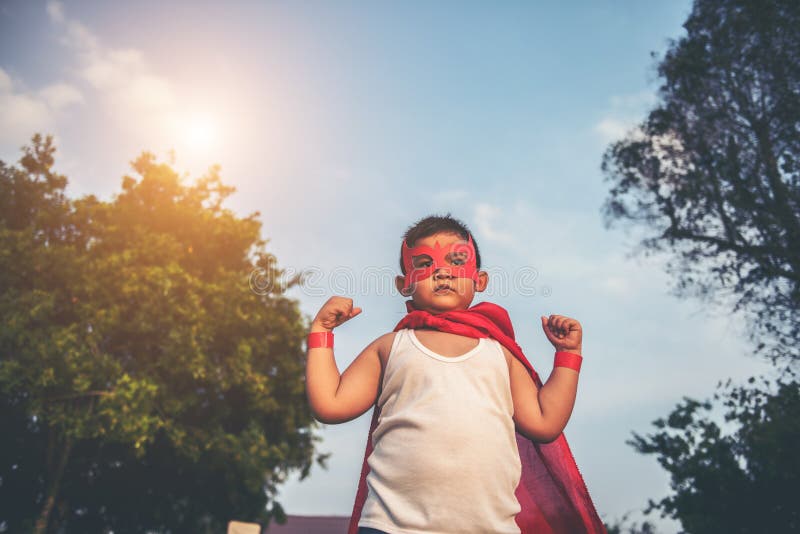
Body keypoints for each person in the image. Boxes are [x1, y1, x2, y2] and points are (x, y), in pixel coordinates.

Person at [305, 214, 604, 534]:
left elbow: (545, 422)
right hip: (392, 526)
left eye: (457, 260)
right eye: (424, 263)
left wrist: (568, 355)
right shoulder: (390, 347)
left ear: (480, 280)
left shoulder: (500, 354)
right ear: (404, 284)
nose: (442, 271)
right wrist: (321, 332)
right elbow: (330, 404)